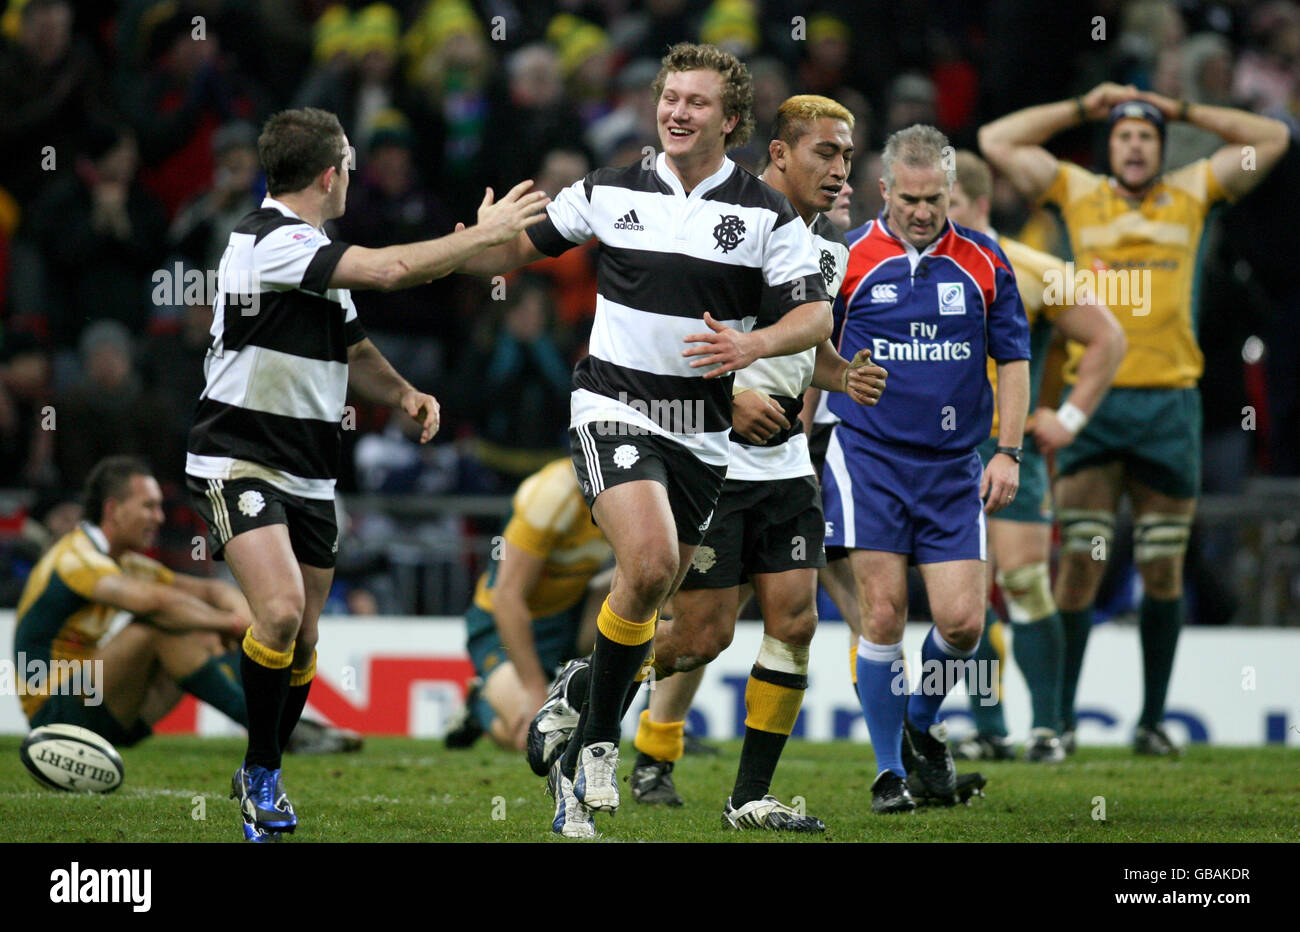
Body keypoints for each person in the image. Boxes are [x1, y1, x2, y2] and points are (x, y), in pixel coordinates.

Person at [454, 43, 834, 839]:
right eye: (669, 98)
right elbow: (514, 252)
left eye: (696, 102)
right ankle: (599, 744)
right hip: (613, 406)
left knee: (682, 616)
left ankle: (580, 726)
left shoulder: (763, 211)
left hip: (703, 435)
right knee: (652, 561)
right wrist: (475, 240)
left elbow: (813, 316)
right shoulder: (610, 188)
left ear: (730, 120)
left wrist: (751, 350)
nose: (676, 111)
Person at [184, 106, 548, 841]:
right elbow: (390, 269)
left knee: (306, 639)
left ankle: (263, 765)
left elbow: (352, 351)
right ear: (331, 174)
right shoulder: (265, 243)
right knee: (280, 613)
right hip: (238, 458)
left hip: (310, 474)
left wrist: (404, 392)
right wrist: (488, 234)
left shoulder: (312, 254)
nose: (350, 176)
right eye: (348, 165)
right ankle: (261, 775)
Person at [978, 82, 1289, 755]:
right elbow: (996, 142)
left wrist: (1184, 108)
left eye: (1148, 134)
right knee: (1080, 567)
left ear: (1162, 143)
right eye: (1123, 134)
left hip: (1171, 406)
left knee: (1162, 568)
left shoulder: (1194, 189)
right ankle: (1056, 722)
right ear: (1107, 145)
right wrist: (1079, 104)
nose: (1137, 144)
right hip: (1093, 407)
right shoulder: (1077, 191)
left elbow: (1273, 138)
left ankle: (1150, 722)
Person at [618, 95, 885, 830]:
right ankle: (590, 685)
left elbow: (804, 349)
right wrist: (731, 390)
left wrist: (841, 374)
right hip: (713, 456)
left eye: (846, 156)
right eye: (824, 154)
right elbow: (665, 337)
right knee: (701, 637)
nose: (839, 170)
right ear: (779, 154)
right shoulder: (728, 227)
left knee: (795, 622)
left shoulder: (826, 247)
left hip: (788, 463)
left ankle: (749, 796)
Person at [825, 124, 1031, 814]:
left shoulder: (984, 261)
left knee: (964, 623)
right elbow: (808, 352)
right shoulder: (846, 258)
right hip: (868, 457)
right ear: (884, 189)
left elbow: (1016, 361)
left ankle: (918, 725)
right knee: (882, 614)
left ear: (952, 193)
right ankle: (889, 775)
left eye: (934, 199)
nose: (921, 211)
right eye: (909, 198)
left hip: (952, 466)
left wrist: (1008, 451)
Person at [944, 151, 1126, 762]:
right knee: (965, 594)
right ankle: (990, 729)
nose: (931, 219)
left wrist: (1069, 417)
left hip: (1007, 446)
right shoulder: (914, 265)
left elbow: (1108, 337)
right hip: (941, 451)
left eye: (945, 206)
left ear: (979, 205)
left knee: (1022, 580)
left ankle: (1049, 727)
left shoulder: (1031, 268)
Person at [443, 457, 611, 754]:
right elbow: (506, 597)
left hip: (571, 615)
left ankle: (660, 735)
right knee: (529, 739)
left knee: (659, 585)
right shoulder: (552, 493)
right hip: (504, 626)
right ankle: (479, 704)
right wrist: (534, 689)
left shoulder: (631, 491)